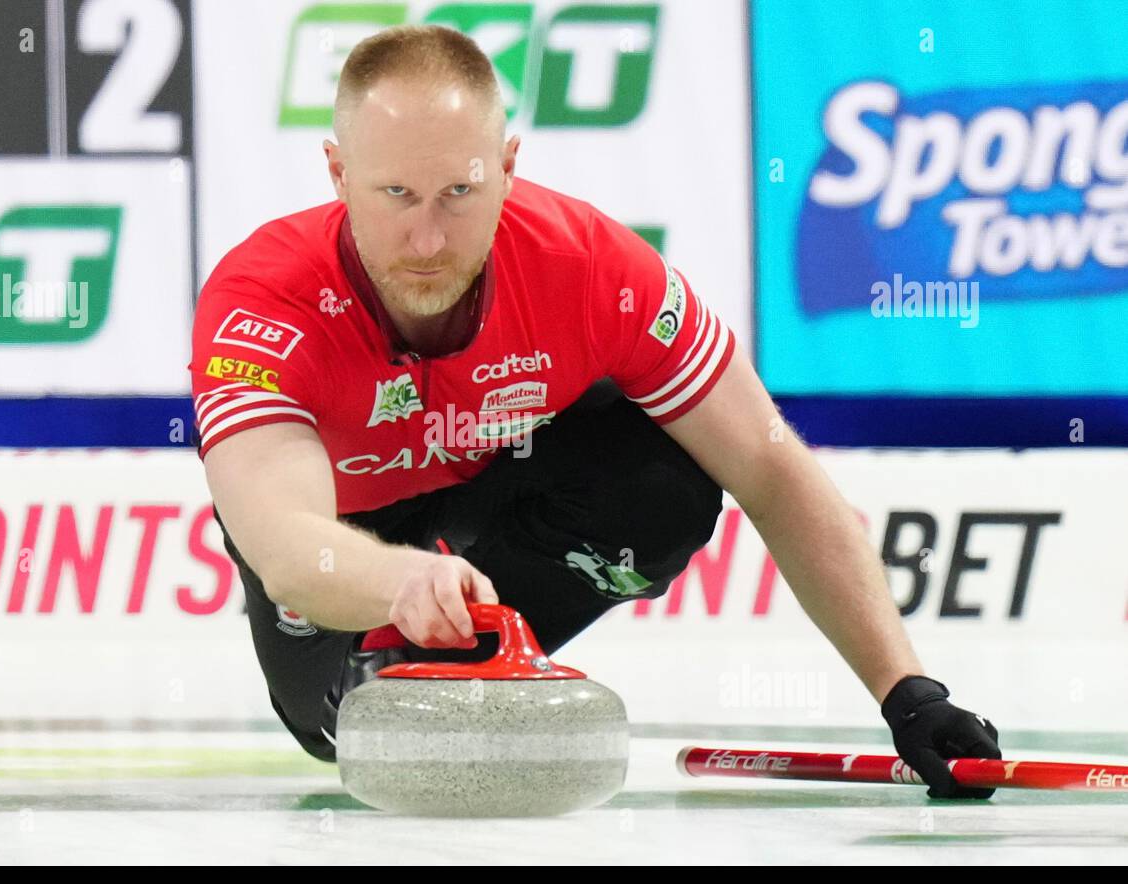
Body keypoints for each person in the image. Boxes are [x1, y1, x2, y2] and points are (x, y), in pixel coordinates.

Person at [190, 24, 1001, 797]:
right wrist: (403, 581)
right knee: (335, 727)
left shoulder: (591, 267)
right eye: (396, 194)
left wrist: (907, 691)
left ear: (508, 166)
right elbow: (291, 550)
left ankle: (438, 657)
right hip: (346, 540)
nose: (429, 240)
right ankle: (393, 657)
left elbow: (771, 468)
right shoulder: (261, 300)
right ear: (337, 175)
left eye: (461, 193)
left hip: (494, 490)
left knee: (668, 486)